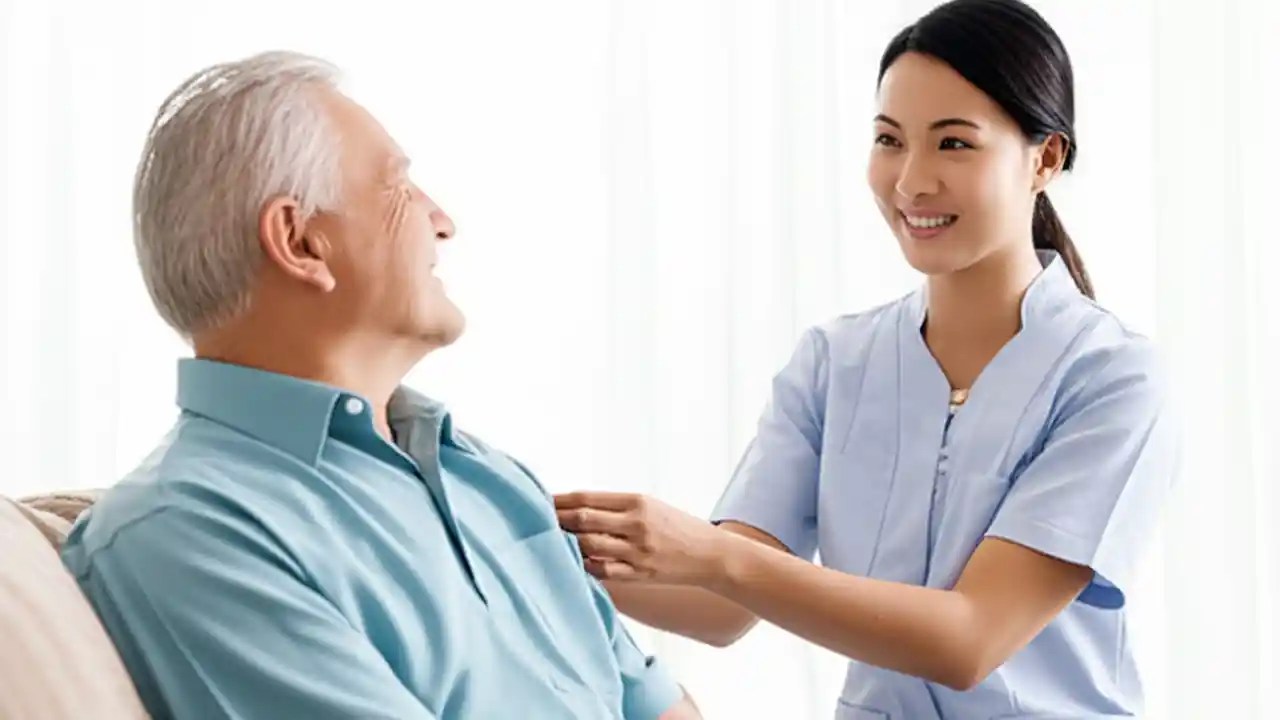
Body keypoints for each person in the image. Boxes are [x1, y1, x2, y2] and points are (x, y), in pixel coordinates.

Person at [554, 1, 1178, 718]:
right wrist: (506, 543)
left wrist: (712, 554)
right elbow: (718, 605)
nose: (911, 181)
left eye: (954, 144)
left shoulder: (1111, 379)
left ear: (1045, 158)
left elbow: (969, 640)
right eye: (889, 140)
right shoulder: (834, 364)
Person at [60, 51, 700, 720]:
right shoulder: (184, 534)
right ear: (301, 242)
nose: (444, 221)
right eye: (398, 186)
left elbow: (656, 707)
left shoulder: (488, 477)